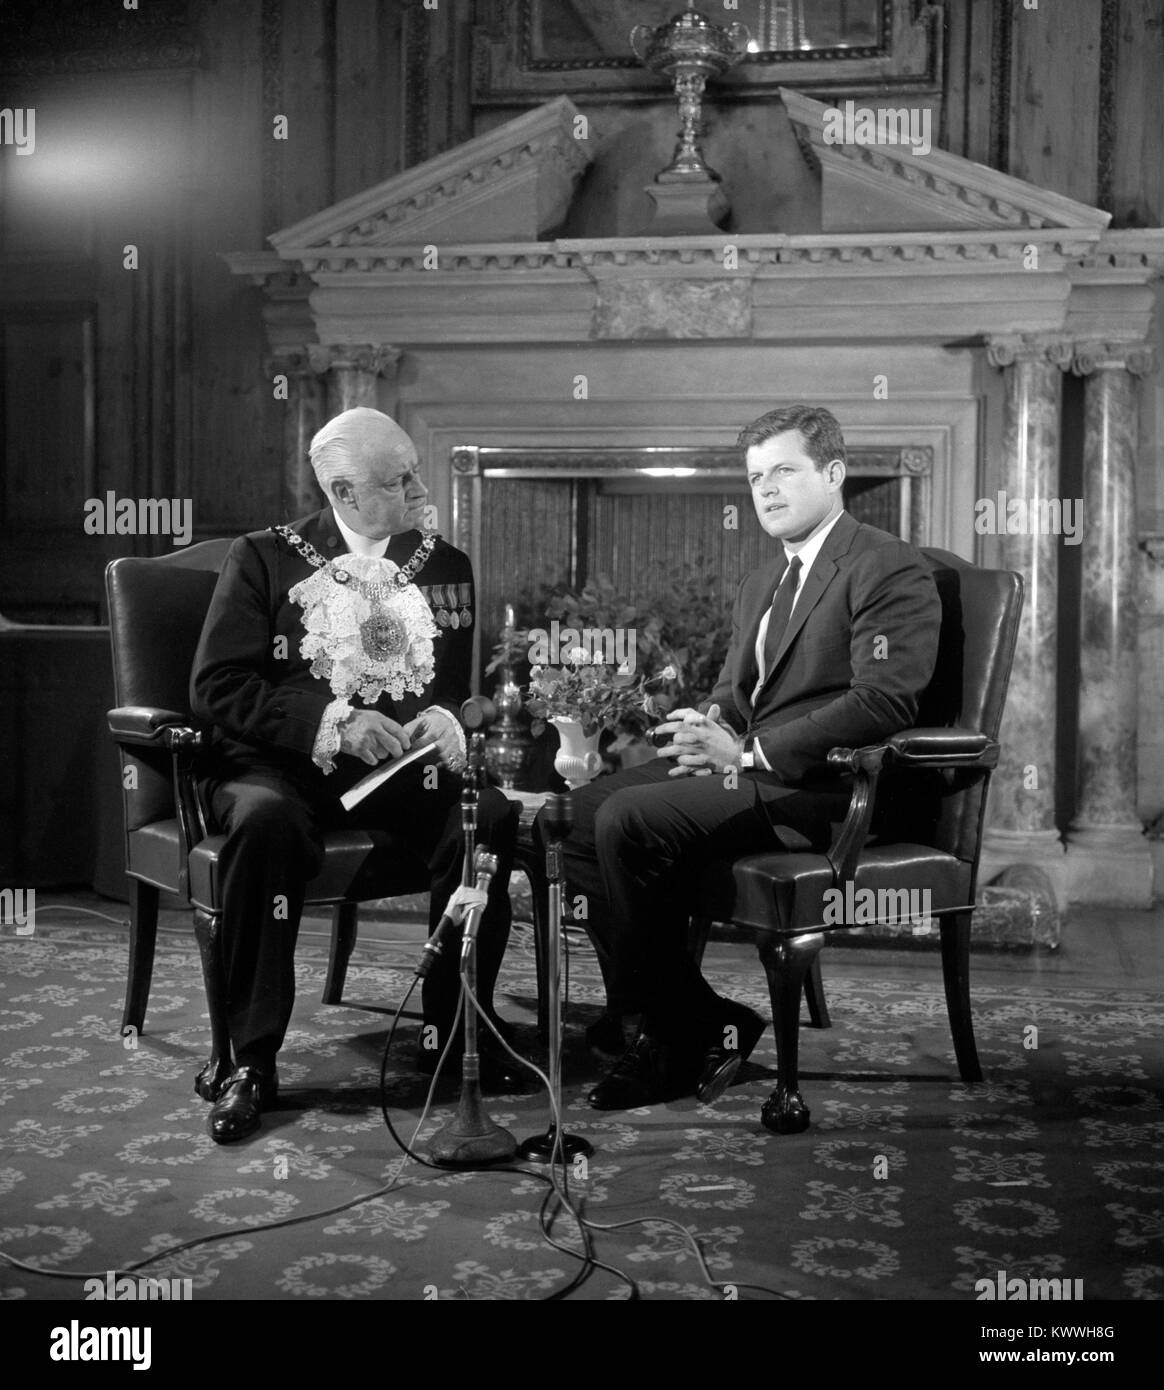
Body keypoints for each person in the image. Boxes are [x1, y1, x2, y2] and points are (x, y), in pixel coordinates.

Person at [541, 404, 942, 1126]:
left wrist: (749, 751)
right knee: (570, 816)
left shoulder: (885, 565)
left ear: (834, 473)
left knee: (631, 820)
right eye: (756, 477)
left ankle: (661, 1035)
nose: (767, 490)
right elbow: (735, 695)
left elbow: (884, 703)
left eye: (784, 471)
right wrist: (711, 723)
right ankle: (694, 1018)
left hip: (827, 788)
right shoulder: (762, 582)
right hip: (749, 774)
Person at [190, 406, 520, 1143]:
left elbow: (451, 694)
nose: (416, 488)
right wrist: (330, 721)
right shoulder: (263, 557)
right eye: (397, 480)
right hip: (280, 771)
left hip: (398, 776)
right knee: (263, 822)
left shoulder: (445, 566)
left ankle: (457, 1033)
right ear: (343, 493)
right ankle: (250, 1061)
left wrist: (445, 721)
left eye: (412, 470)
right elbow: (217, 687)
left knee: (489, 815)